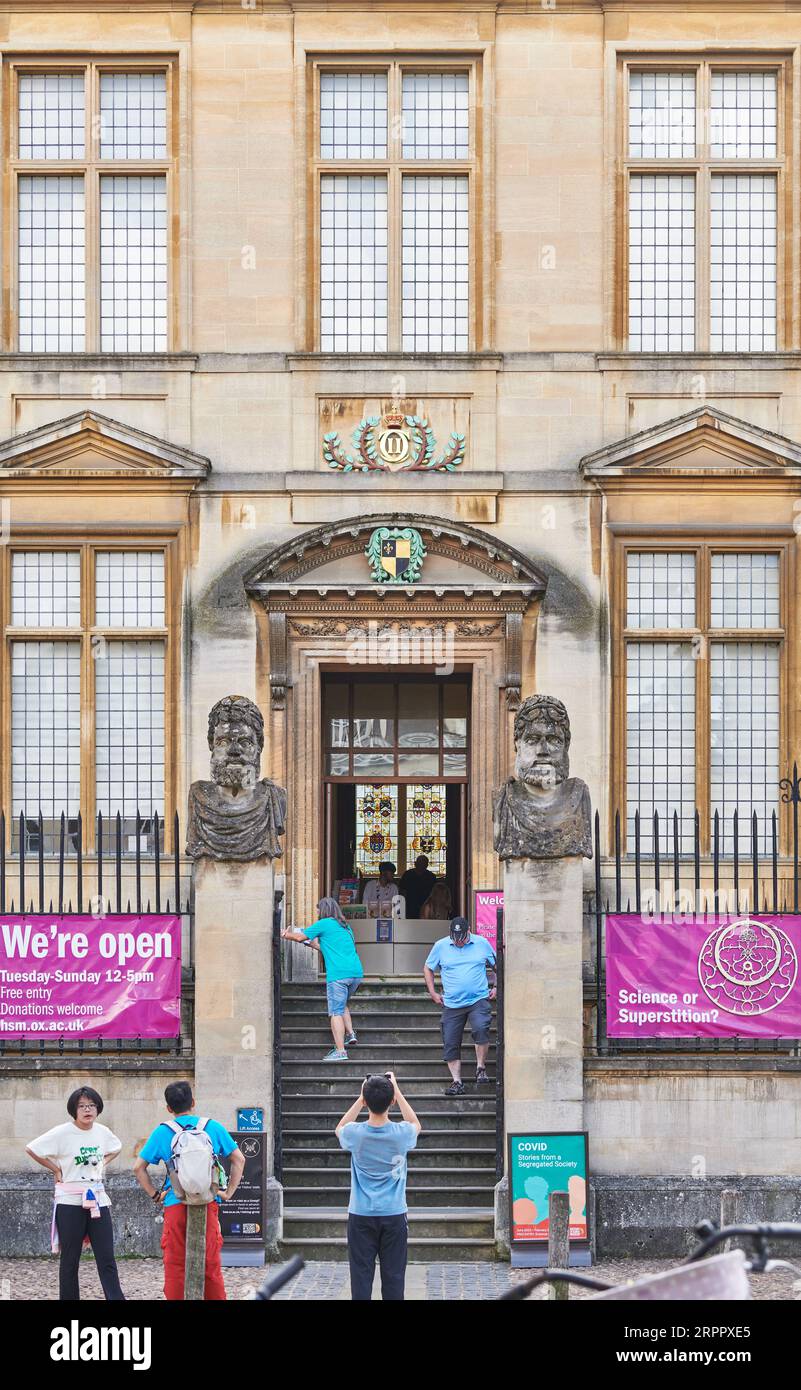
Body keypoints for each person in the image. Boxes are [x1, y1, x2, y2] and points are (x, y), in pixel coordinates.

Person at [133, 1080, 245, 1301]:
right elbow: (239, 1159)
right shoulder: (212, 1127)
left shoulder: (163, 1132)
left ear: (168, 1108)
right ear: (193, 1102)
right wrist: (229, 1191)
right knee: (210, 1263)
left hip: (176, 1202)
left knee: (175, 1264)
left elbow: (139, 1168)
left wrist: (156, 1195)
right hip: (207, 1201)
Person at [26, 1085, 125, 1301]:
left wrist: (102, 1163)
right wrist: (56, 1169)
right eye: (81, 1106)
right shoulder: (62, 1132)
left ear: (98, 1108)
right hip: (69, 1201)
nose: (87, 1110)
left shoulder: (102, 1131)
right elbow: (32, 1148)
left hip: (98, 1199)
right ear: (74, 1109)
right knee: (70, 1258)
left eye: (91, 1105)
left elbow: (116, 1147)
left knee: (106, 1256)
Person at [335, 1071, 421, 1302]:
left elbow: (340, 1127)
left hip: (361, 1213)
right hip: (393, 1213)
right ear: (391, 1101)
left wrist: (361, 1098)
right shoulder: (401, 1134)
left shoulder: (356, 1133)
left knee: (360, 1278)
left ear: (365, 1100)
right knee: (394, 1277)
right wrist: (397, 1091)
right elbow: (415, 1123)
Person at [281, 897, 364, 1061]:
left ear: (324, 910)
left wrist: (285, 934)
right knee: (343, 1004)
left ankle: (340, 1051)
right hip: (355, 974)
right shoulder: (346, 926)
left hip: (338, 975)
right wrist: (311, 945)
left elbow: (299, 937)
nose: (317, 912)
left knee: (335, 1012)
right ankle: (351, 1034)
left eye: (318, 909)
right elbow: (326, 948)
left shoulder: (324, 923)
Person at [424, 916, 496, 1096]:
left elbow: (498, 966)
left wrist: (496, 986)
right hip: (452, 1003)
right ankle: (457, 1081)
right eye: (455, 938)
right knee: (450, 1041)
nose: (459, 942)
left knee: (481, 1028)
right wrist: (432, 992)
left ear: (469, 931)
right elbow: (428, 968)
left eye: (462, 938)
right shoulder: (441, 946)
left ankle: (480, 1067)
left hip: (478, 999)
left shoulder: (482, 943)